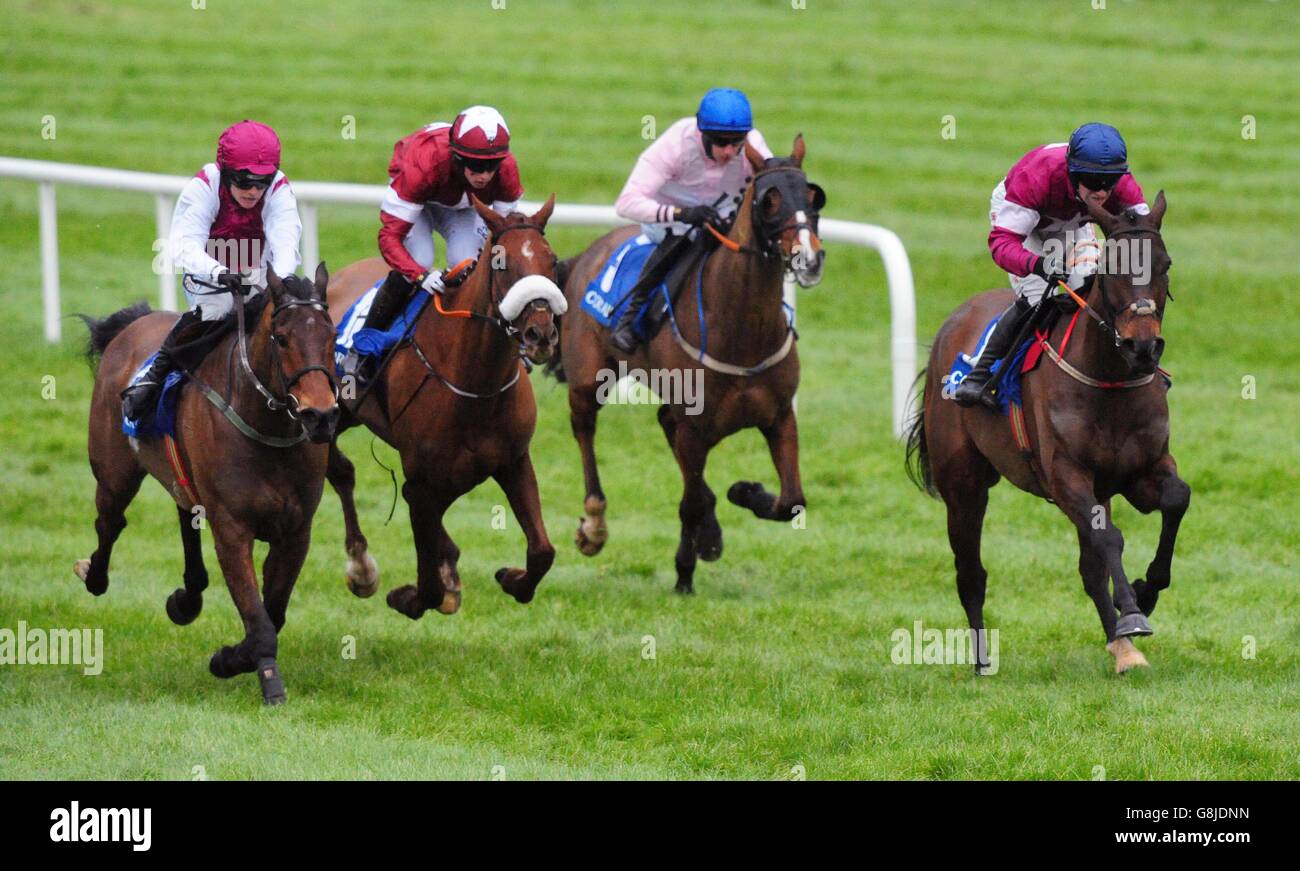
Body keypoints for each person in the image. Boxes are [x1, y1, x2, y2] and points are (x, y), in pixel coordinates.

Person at [953, 122, 1150, 408]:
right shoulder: (1035, 176)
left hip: (1073, 223)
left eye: (1109, 183)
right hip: (1027, 224)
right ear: (1073, 173)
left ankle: (1133, 364)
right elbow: (1002, 244)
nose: (1102, 193)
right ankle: (979, 373)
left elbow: (1142, 234)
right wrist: (1038, 265)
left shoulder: (1119, 185)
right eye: (1092, 182)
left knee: (1092, 287)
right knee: (1039, 298)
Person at [121, 120, 301, 421]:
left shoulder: (279, 189)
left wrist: (279, 285)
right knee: (218, 310)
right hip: (208, 275)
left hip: (259, 272)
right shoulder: (205, 184)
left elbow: (286, 244)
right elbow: (184, 245)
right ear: (227, 172)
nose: (254, 190)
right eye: (244, 181)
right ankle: (153, 378)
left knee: (302, 319)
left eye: (261, 182)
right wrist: (219, 272)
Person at [340, 105, 522, 376]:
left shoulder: (506, 170)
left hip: (460, 207)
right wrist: (419, 275)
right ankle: (363, 346)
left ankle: (500, 340)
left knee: (469, 265)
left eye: (491, 166)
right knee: (420, 259)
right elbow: (389, 236)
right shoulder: (424, 163)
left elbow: (505, 235)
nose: (484, 174)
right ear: (458, 158)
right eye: (476, 165)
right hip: (420, 199)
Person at [607, 88, 773, 353]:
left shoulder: (753, 144)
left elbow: (771, 186)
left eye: (736, 142)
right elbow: (626, 203)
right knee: (681, 247)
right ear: (701, 132)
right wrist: (682, 214)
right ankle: (632, 321)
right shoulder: (675, 144)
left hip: (726, 223)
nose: (729, 151)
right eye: (720, 142)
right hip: (673, 224)